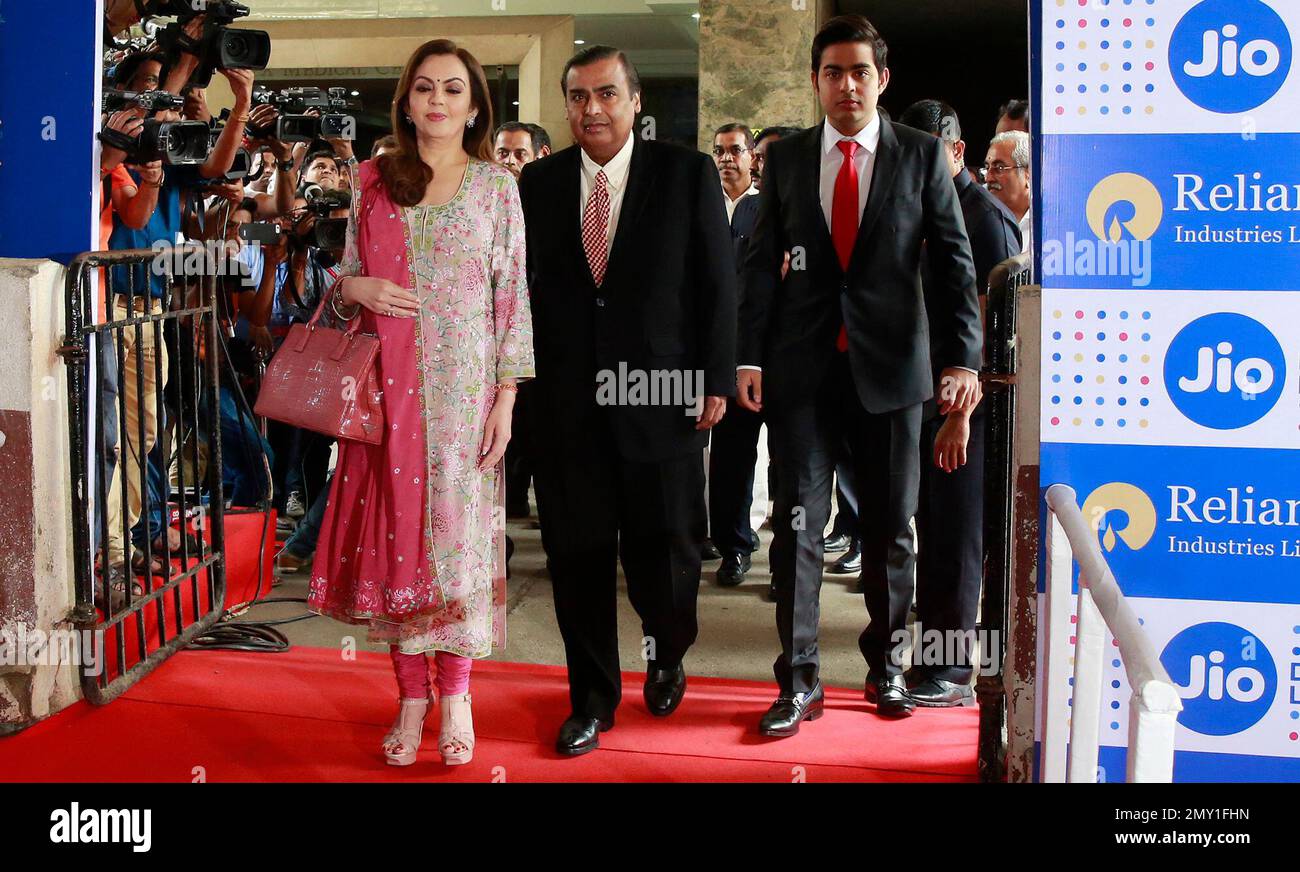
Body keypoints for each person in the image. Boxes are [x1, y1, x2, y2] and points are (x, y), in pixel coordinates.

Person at [738, 15, 982, 734]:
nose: (847, 85)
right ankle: (799, 680)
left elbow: (954, 265)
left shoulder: (919, 157)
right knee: (799, 526)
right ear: (816, 81)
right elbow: (758, 270)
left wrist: (961, 359)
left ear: (882, 79)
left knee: (889, 529)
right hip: (804, 375)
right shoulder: (785, 161)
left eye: (860, 73)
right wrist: (748, 356)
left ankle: (888, 669)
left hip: (895, 376)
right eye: (833, 72)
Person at [306, 38, 535, 768]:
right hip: (388, 397)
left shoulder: (497, 187)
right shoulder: (373, 182)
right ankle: (411, 698)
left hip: (467, 397)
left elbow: (512, 302)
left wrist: (506, 398)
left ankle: (458, 695)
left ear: (474, 108)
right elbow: (342, 277)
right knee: (400, 541)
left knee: (458, 548)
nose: (437, 101)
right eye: (425, 88)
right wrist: (357, 289)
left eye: (453, 91)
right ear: (406, 100)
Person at [518, 44, 736, 756]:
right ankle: (591, 699)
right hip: (565, 408)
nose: (592, 110)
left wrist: (714, 377)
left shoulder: (685, 173)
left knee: (666, 551)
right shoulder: (538, 185)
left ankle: (668, 651)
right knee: (576, 557)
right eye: (578, 97)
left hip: (665, 398)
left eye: (606, 94)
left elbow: (716, 284)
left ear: (634, 101)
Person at [899, 99, 1022, 706]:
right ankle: (930, 664)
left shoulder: (986, 217)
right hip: (924, 400)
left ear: (955, 151)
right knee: (934, 536)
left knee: (957, 540)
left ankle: (951, 674)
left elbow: (986, 334)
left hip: (967, 413)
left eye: (926, 156)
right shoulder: (932, 206)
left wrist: (959, 416)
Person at [707, 122, 763, 588]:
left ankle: (751, 545)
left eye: (736, 151)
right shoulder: (703, 207)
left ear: (752, 157)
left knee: (766, 459)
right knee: (725, 458)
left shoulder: (765, 210)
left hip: (761, 354)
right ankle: (729, 543)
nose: (727, 159)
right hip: (714, 354)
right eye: (720, 151)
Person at [984, 130, 1033, 260]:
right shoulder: (981, 218)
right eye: (986, 167)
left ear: (1029, 174)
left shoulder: (1049, 224)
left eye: (999, 168)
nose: (988, 178)